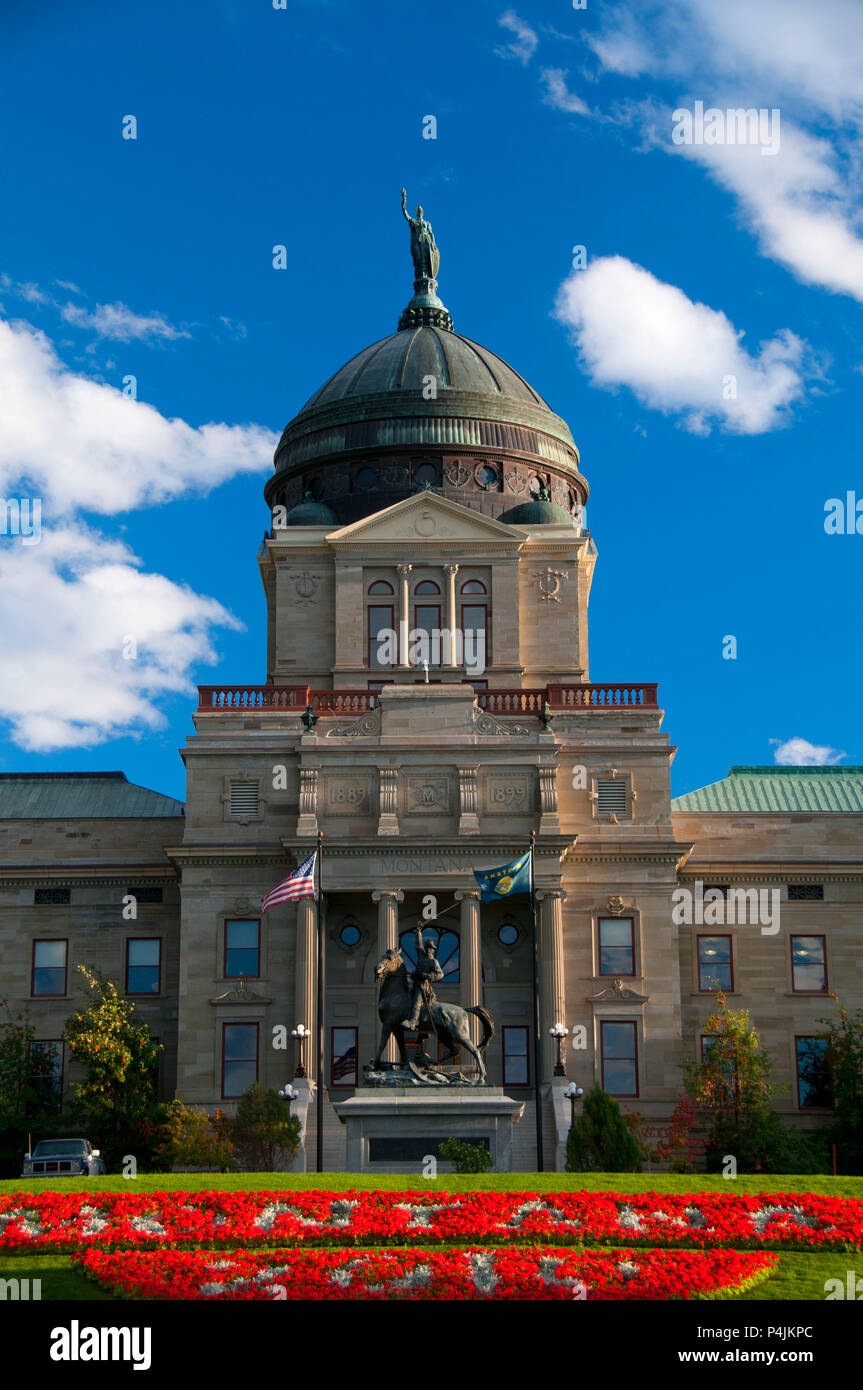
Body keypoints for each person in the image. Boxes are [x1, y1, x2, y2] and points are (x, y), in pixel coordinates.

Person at [401, 924, 444, 1030]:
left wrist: (428, 976)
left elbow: (440, 974)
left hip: (423, 987)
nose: (429, 949)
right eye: (428, 947)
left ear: (433, 950)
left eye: (431, 948)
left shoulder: (433, 961)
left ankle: (413, 1022)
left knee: (416, 1001)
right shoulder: (421, 955)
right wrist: (419, 932)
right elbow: (418, 944)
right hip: (416, 984)